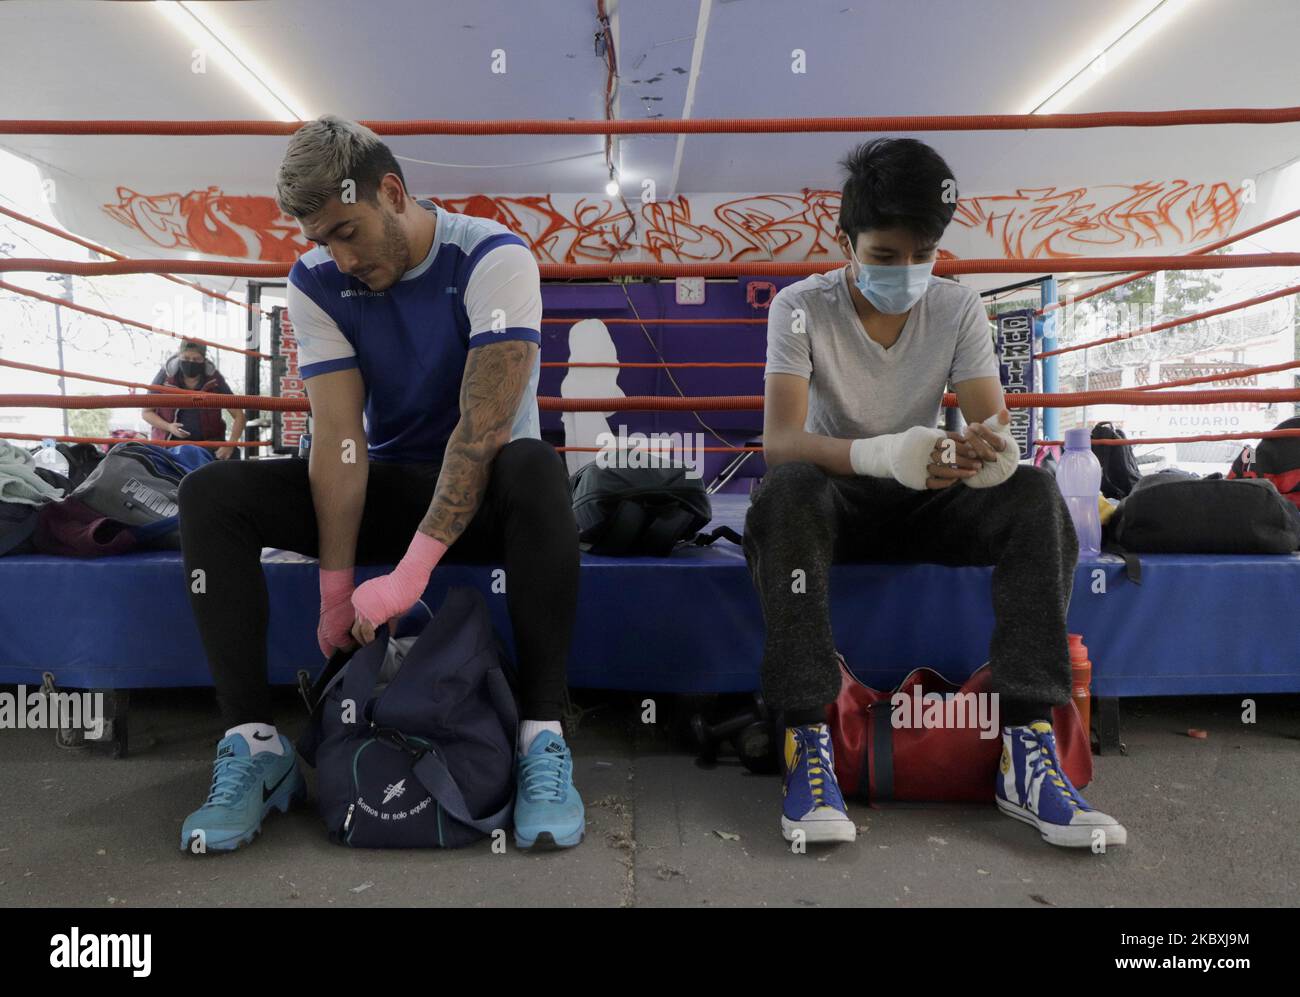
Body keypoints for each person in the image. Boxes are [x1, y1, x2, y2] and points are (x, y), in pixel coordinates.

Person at [176, 116, 584, 852]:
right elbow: (340, 437)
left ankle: (541, 736)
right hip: (388, 486)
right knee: (211, 495)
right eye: (321, 240)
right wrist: (336, 589)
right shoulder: (317, 280)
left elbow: (482, 432)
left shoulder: (493, 258)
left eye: (347, 232)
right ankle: (255, 744)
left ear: (392, 193)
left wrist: (408, 576)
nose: (340, 256)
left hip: (490, 496)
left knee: (534, 465)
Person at [746, 138, 1126, 849]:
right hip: (838, 501)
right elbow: (781, 441)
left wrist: (979, 451)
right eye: (885, 255)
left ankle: (1027, 741)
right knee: (786, 490)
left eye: (923, 254)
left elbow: (993, 426)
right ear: (845, 242)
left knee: (1034, 495)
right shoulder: (799, 307)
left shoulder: (956, 307)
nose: (907, 271)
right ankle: (806, 734)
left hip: (926, 496)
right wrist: (885, 452)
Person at [142, 341, 246, 459]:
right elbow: (146, 412)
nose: (191, 362)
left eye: (196, 359)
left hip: (208, 448)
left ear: (204, 360)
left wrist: (230, 445)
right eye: (186, 358)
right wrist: (169, 427)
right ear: (179, 357)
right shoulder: (165, 376)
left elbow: (239, 415)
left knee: (233, 457)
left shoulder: (215, 380)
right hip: (169, 446)